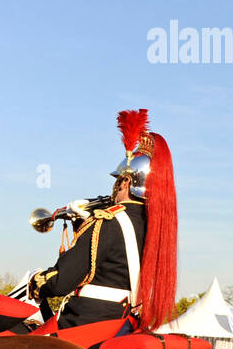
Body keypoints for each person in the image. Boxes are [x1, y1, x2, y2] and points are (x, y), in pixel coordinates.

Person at [27, 109, 178, 332]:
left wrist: (36, 281)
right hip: (123, 323)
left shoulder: (107, 221)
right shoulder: (154, 227)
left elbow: (60, 282)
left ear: (125, 182)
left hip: (85, 324)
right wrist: (81, 224)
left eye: (118, 179)